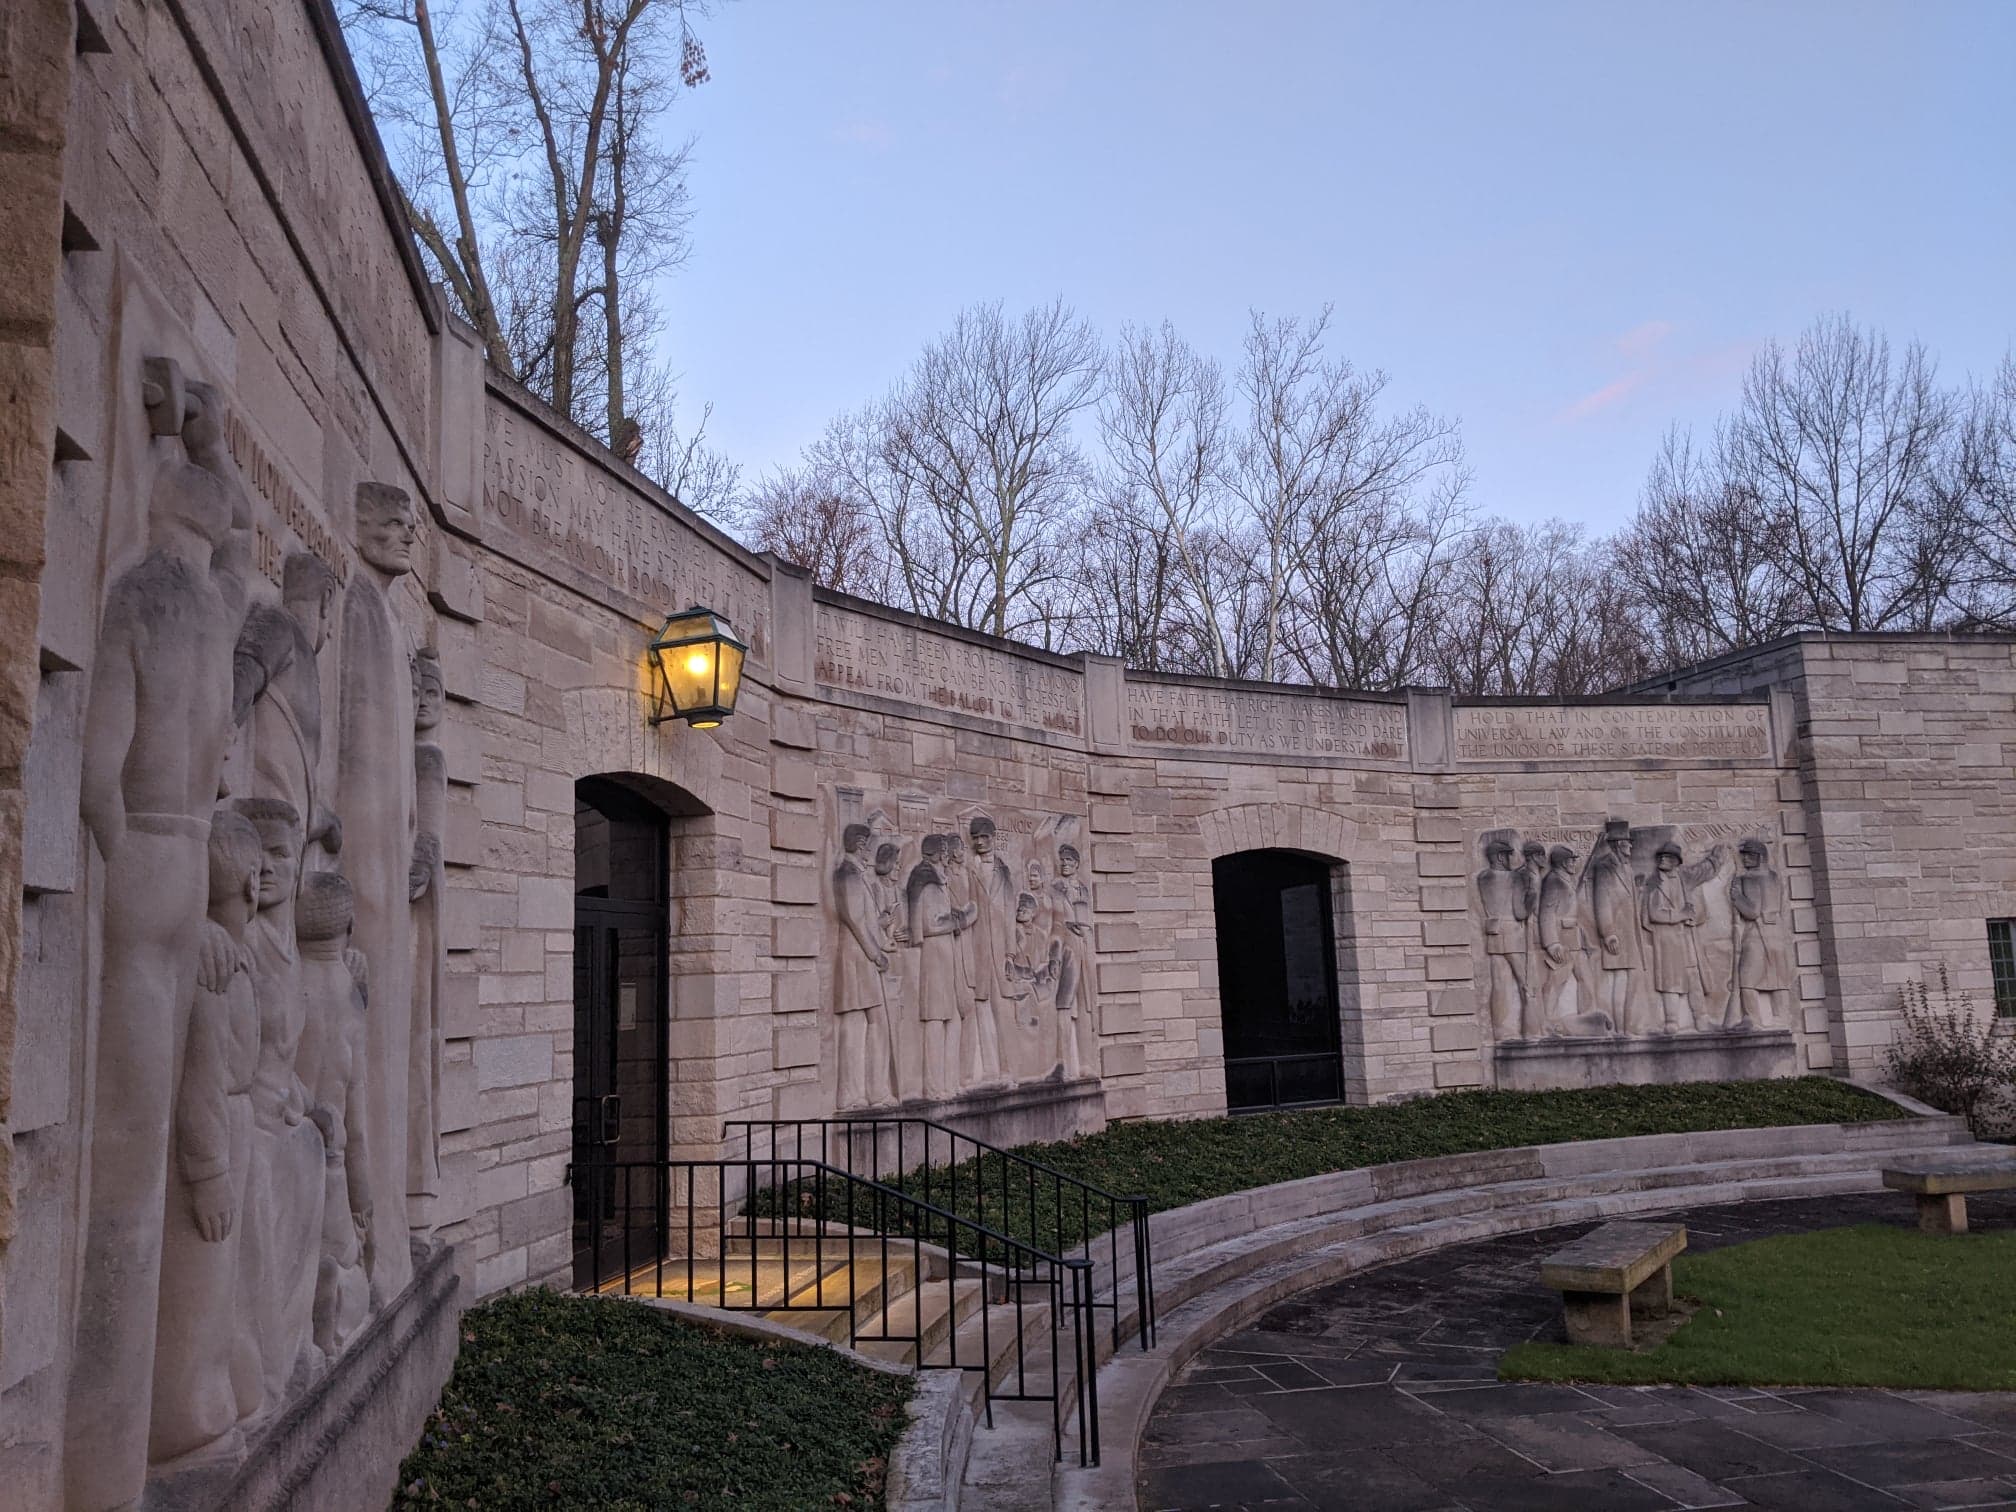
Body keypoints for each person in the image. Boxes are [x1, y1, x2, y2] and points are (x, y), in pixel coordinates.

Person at [1729, 838, 1791, 1028]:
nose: (1745, 859)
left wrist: (1736, 896)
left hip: (1756, 933)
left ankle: (1752, 1018)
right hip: (1777, 933)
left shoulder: (1745, 880)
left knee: (1747, 978)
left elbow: (1752, 911)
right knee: (1778, 977)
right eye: (1744, 855)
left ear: (1760, 857)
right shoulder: (1775, 877)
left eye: (1749, 855)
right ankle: (1782, 1017)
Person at [1643, 843, 1705, 1032]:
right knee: (1671, 981)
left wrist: (1693, 915)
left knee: (1694, 976)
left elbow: (1698, 906)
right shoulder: (1654, 883)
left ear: (1677, 861)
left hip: (1686, 937)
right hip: (1667, 939)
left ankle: (1701, 1019)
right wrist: (1680, 915)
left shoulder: (1684, 880)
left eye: (1668, 857)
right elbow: (1654, 914)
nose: (1663, 859)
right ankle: (1672, 1021)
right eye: (1661, 856)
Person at [1475, 838, 1528, 1039]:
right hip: (1512, 933)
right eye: (1507, 855)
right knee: (1525, 982)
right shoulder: (1513, 878)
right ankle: (1529, 1028)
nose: (1510, 859)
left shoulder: (1482, 877)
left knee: (1499, 983)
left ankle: (1500, 1031)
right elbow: (1521, 912)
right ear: (1499, 857)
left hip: (1494, 932)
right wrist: (1530, 895)